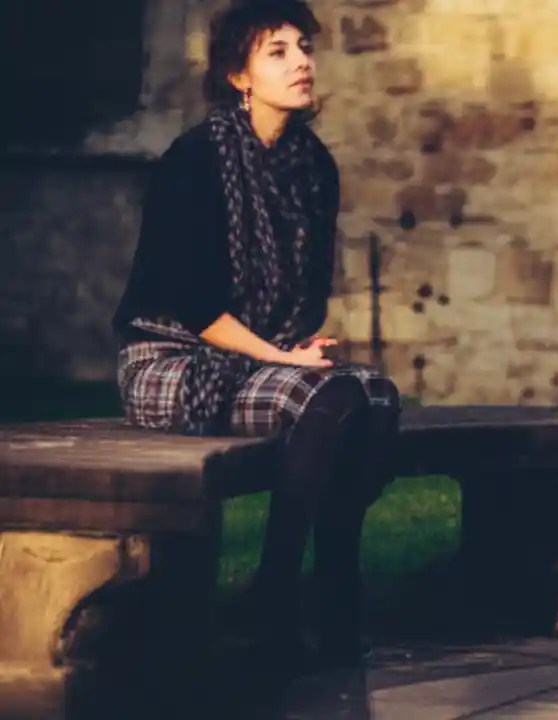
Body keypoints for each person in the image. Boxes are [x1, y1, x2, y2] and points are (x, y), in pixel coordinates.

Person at [111, 0, 397, 670]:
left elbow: (309, 290)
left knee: (374, 395)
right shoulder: (195, 160)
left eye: (305, 48)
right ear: (239, 76)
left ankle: (333, 590)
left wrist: (295, 349)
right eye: (278, 51)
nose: (302, 63)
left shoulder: (313, 167)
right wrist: (280, 358)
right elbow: (193, 305)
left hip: (260, 359)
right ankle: (276, 591)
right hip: (170, 357)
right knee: (327, 397)